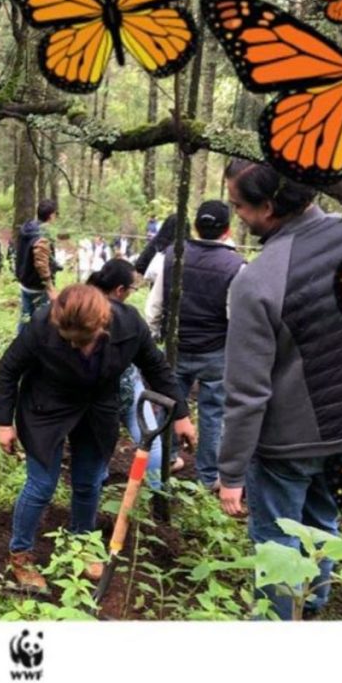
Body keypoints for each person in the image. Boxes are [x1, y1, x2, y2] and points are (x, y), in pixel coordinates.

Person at [218, 159, 342, 619]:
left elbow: (246, 392)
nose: (237, 215)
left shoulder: (257, 280)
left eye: (238, 205)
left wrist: (231, 473)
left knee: (277, 540)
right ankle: (312, 606)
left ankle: (279, 626)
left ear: (267, 207)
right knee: (323, 522)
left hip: (289, 444)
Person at [0, 284, 196, 590]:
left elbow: (156, 366)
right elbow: (9, 368)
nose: (75, 347)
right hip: (46, 407)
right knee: (41, 485)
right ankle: (20, 554)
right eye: (69, 341)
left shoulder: (129, 324)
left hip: (97, 408)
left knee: (88, 482)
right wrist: (4, 423)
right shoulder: (42, 324)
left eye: (82, 340)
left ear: (102, 324)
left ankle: (83, 544)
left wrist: (181, 415)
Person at [145, 200, 245, 488]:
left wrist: (154, 338)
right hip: (215, 352)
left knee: (169, 405)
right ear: (227, 230)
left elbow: (155, 305)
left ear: (197, 227)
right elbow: (235, 317)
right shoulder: (236, 266)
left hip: (176, 348)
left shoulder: (171, 256)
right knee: (213, 413)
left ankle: (165, 461)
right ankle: (208, 475)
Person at [88, 260, 184, 488]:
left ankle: (142, 490)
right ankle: (153, 491)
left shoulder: (83, 307)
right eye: (132, 288)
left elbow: (153, 364)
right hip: (110, 393)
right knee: (146, 446)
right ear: (120, 290)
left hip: (121, 389)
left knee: (102, 447)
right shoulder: (121, 317)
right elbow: (154, 364)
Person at [15, 199, 61, 333]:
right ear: (51, 215)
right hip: (38, 286)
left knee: (25, 317)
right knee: (42, 320)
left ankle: (20, 341)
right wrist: (50, 287)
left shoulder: (28, 228)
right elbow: (41, 264)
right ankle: (36, 343)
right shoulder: (41, 236)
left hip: (25, 281)